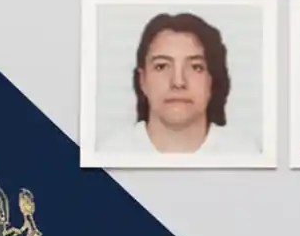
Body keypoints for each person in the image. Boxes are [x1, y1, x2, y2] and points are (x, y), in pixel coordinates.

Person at [101, 13, 256, 155]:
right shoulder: (110, 155)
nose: (178, 82)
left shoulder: (245, 154)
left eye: (196, 67)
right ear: (142, 80)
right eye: (161, 66)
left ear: (212, 79)